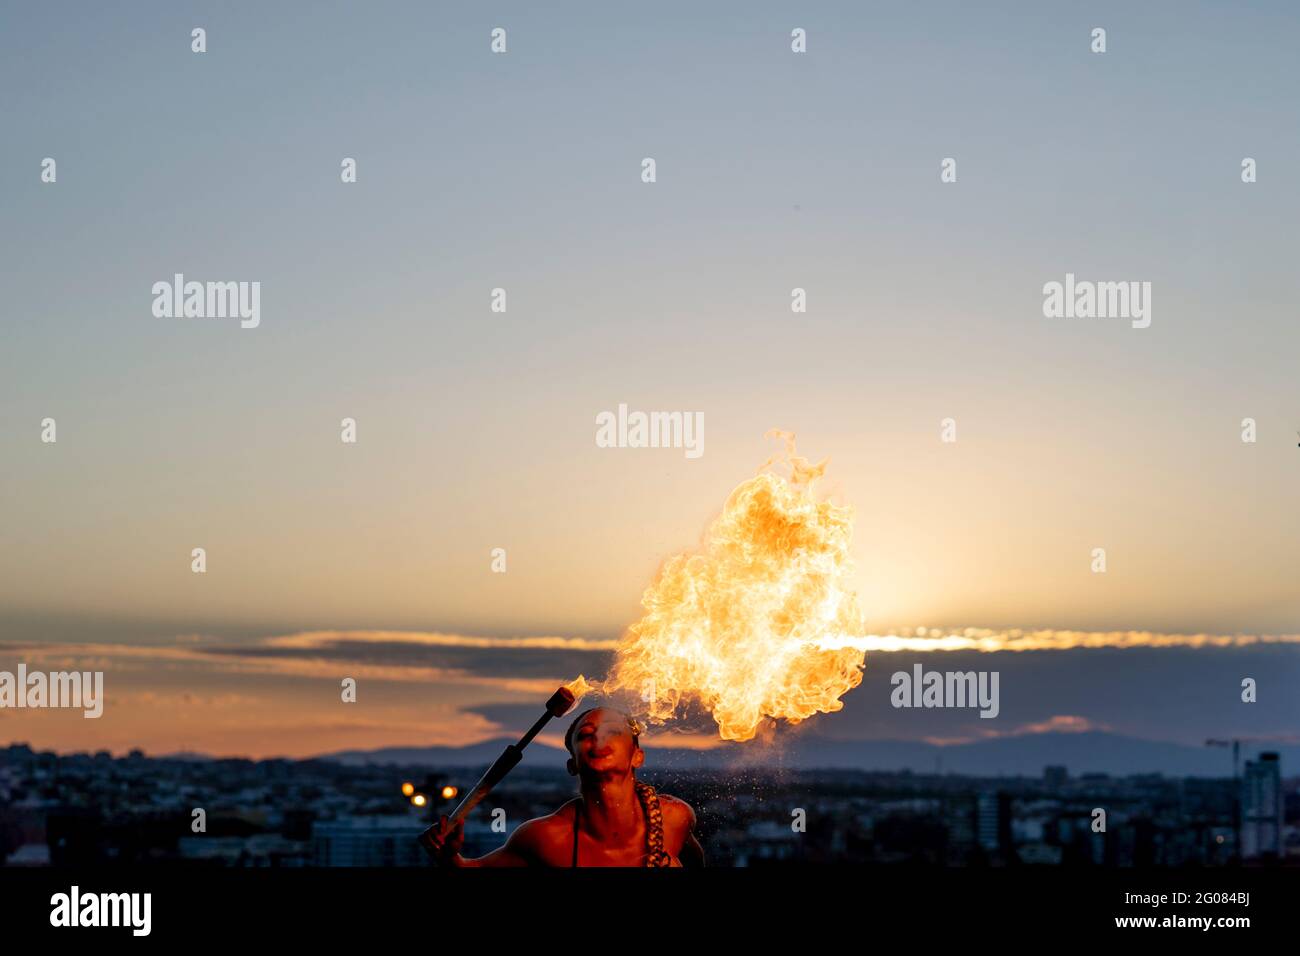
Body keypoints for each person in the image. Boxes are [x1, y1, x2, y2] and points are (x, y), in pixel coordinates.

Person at [425, 707, 704, 867]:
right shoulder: (545, 838)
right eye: (586, 734)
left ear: (637, 756)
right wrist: (449, 856)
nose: (598, 736)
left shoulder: (675, 818)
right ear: (573, 764)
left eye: (613, 731)